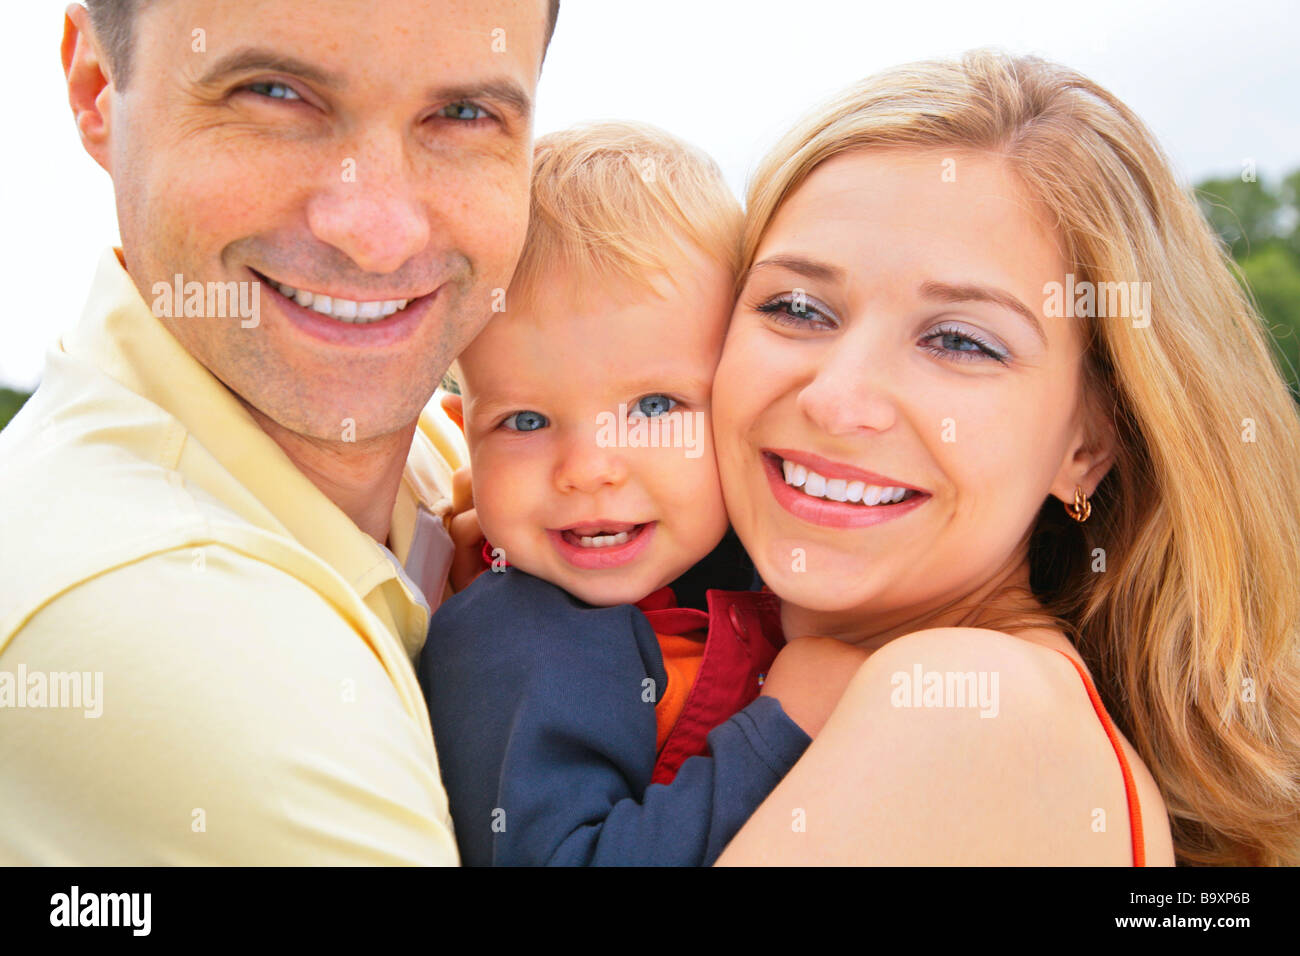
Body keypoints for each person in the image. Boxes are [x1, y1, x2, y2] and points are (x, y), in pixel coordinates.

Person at [0, 0, 559, 864]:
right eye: (274, 93)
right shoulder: (165, 618)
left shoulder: (442, 460)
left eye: (462, 114)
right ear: (97, 89)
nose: (378, 234)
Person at [710, 51, 1300, 866]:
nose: (836, 398)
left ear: (1087, 447)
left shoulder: (972, 711)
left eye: (960, 341)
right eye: (798, 307)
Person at [421, 122, 817, 866]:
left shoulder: (758, 566)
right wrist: (785, 721)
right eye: (526, 421)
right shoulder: (516, 636)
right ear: (463, 429)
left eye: (657, 407)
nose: (588, 468)